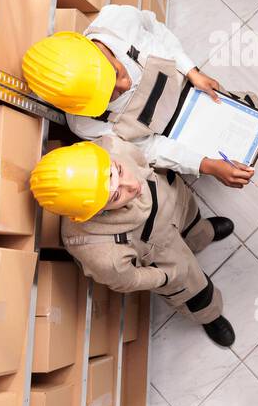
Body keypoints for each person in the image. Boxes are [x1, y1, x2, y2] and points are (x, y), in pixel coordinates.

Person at [22, 5, 258, 190]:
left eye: (116, 71)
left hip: (191, 88)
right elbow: (150, 149)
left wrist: (192, 71)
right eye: (112, 93)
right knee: (220, 153)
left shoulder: (115, 23)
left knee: (230, 104)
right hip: (171, 134)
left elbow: (157, 32)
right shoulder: (85, 124)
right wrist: (208, 166)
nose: (125, 83)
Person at [30, 136, 238, 347]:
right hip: (164, 255)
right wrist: (164, 277)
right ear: (94, 212)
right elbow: (129, 279)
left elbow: (145, 156)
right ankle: (209, 315)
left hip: (174, 202)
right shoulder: (97, 250)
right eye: (115, 196)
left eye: (118, 171)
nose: (133, 185)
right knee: (194, 290)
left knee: (193, 222)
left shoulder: (109, 146)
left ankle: (203, 233)